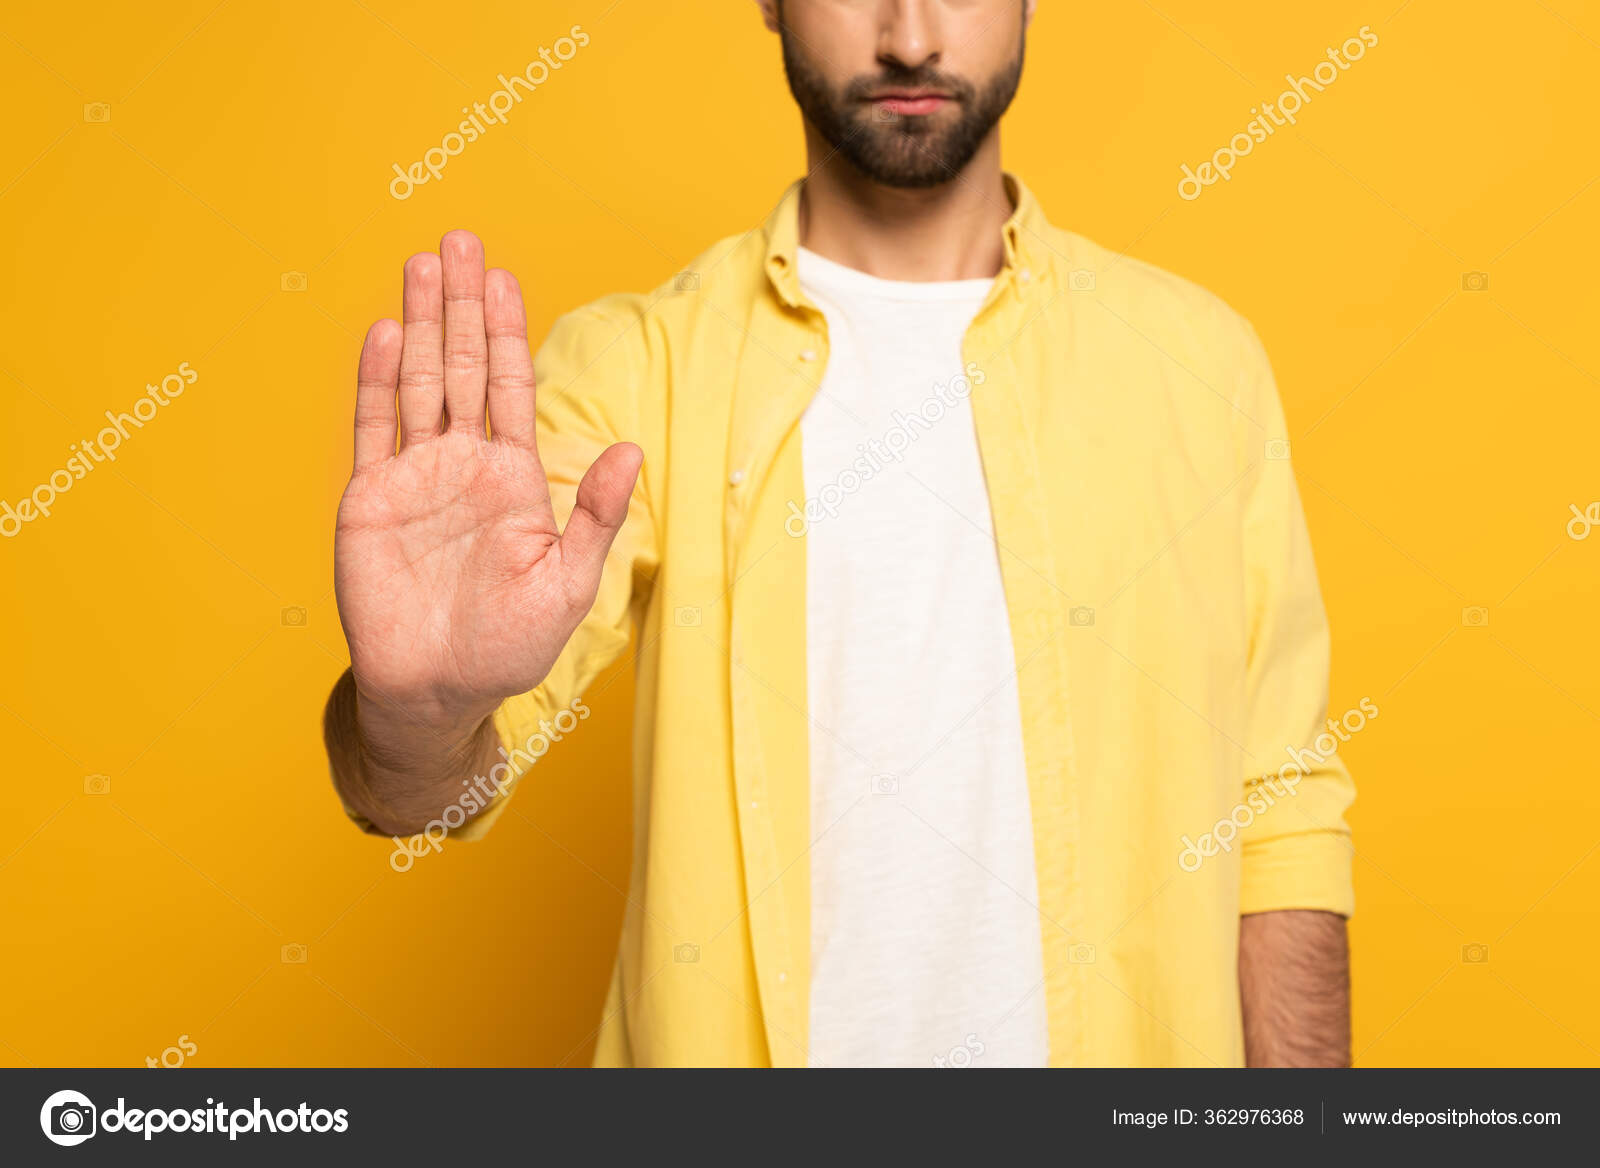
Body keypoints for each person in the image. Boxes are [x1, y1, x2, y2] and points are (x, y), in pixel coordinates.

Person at [324, 0, 1355, 1067]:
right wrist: (418, 713)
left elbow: (1280, 814)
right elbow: (428, 789)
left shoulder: (1198, 365)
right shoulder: (636, 370)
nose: (909, 36)